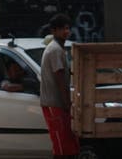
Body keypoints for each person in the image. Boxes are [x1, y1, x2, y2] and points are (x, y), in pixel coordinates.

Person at [40, 13, 80, 159]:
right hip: (54, 104)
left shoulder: (58, 48)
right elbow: (59, 77)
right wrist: (66, 103)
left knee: (66, 144)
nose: (66, 31)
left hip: (58, 103)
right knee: (61, 145)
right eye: (62, 28)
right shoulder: (55, 50)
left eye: (67, 28)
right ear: (54, 31)